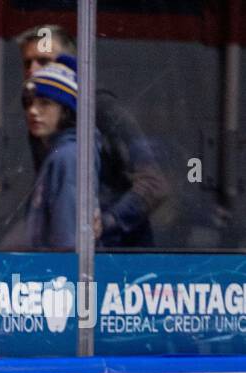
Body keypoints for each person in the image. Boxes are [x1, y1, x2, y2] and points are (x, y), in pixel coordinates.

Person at [14, 24, 167, 247]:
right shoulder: (42, 119)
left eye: (44, 61)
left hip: (119, 258)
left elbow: (154, 183)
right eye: (27, 63)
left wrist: (108, 221)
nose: (33, 70)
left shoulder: (101, 107)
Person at [21, 58, 97, 251]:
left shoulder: (68, 157)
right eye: (29, 103)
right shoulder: (60, 154)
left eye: (45, 104)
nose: (33, 111)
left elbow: (67, 241)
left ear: (65, 111)